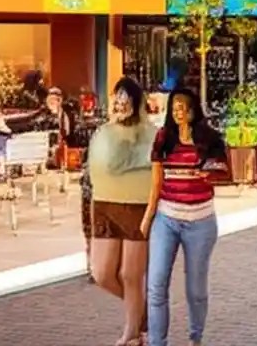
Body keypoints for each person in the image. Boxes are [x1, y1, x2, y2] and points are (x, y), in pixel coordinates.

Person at [144, 88, 228, 346]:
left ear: (194, 110)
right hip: (166, 219)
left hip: (200, 221)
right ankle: (158, 342)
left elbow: (224, 172)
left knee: (195, 289)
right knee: (156, 285)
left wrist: (210, 173)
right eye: (175, 107)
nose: (179, 112)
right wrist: (148, 216)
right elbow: (156, 181)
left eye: (184, 107)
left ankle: (196, 338)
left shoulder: (210, 138)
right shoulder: (163, 137)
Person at [89, 77, 156, 346]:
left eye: (126, 98)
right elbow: (99, 167)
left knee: (130, 274)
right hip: (105, 203)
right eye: (118, 97)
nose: (121, 103)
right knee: (103, 274)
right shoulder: (104, 133)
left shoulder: (150, 134)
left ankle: (131, 331)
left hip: (137, 205)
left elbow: (149, 165)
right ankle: (144, 316)